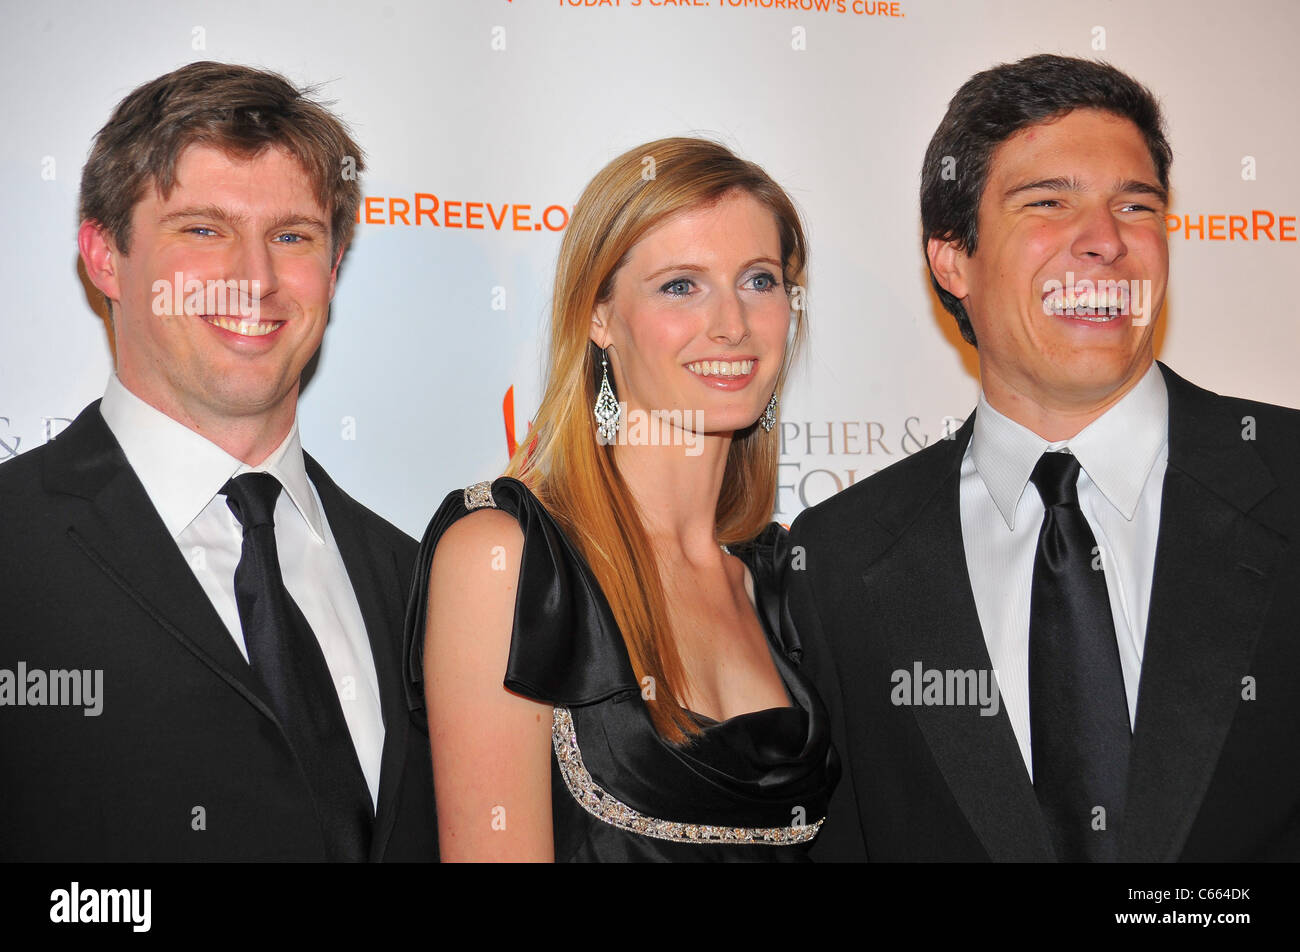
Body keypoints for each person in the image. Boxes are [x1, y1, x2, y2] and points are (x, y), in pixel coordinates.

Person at [788, 54, 1300, 862]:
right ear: (953, 257)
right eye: (1049, 202)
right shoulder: (838, 560)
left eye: (1137, 205)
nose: (1104, 241)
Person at [0, 61, 437, 861]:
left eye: (293, 236)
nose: (256, 278)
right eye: (203, 229)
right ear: (103, 257)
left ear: (333, 271)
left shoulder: (419, 584)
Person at [406, 137, 838, 861]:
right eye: (680, 286)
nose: (732, 324)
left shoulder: (784, 580)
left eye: (759, 280)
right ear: (599, 316)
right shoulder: (508, 560)